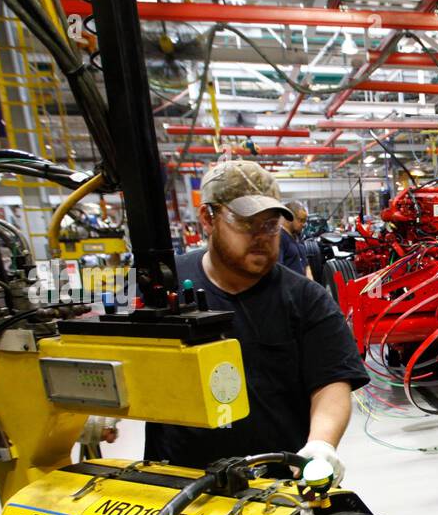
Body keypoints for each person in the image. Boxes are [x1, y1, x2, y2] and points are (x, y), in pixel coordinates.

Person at [144, 161, 367, 484]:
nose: (262, 237)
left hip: (275, 486)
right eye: (248, 224)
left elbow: (332, 381)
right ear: (208, 218)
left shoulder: (307, 299)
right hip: (177, 483)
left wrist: (321, 444)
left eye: (271, 225)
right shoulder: (163, 285)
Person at [279, 199, 310, 276]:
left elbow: (306, 265)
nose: (304, 224)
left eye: (305, 221)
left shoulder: (298, 237)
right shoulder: (280, 239)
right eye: (301, 220)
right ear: (288, 217)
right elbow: (278, 273)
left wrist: (311, 285)